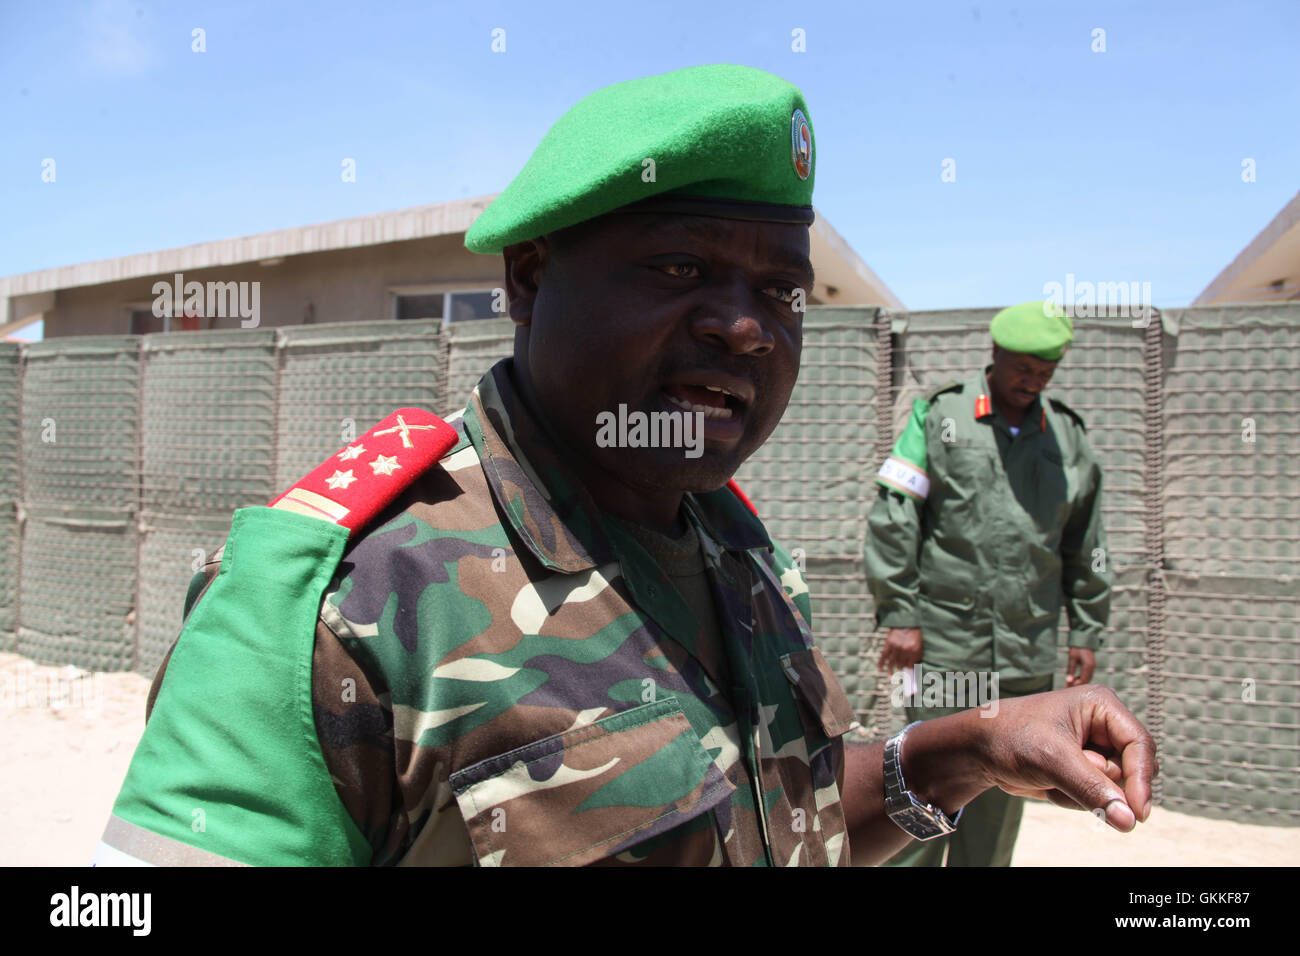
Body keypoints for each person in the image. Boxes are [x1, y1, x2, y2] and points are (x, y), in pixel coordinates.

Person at [96, 66, 1151, 867]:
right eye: (680, 265)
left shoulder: (735, 549)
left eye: (780, 292)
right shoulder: (329, 613)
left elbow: (784, 815)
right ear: (529, 275)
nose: (745, 326)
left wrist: (963, 747)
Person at [866, 300, 1112, 867]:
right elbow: (894, 515)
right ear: (995, 354)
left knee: (1007, 787)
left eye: (1047, 371)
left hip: (1026, 649)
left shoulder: (1068, 437)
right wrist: (900, 613)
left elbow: (1087, 540)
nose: (1035, 380)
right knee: (924, 781)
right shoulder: (938, 414)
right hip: (951, 646)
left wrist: (1087, 630)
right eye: (1025, 366)